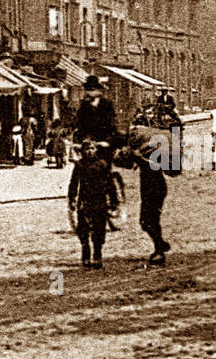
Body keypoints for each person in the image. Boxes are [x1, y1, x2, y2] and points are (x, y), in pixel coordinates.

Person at [67, 139, 119, 269]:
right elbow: (74, 183)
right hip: (84, 201)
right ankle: (86, 254)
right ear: (82, 151)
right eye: (87, 149)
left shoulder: (102, 164)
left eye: (92, 149)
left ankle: (97, 255)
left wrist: (113, 201)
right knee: (83, 229)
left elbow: (110, 184)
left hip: (99, 200)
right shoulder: (79, 165)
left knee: (99, 228)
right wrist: (72, 199)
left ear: (96, 150)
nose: (90, 151)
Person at [124, 124, 170, 265]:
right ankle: (160, 245)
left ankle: (159, 250)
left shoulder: (152, 157)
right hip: (151, 189)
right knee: (149, 220)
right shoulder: (146, 154)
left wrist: (139, 157)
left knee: (148, 220)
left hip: (155, 189)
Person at [75, 76, 119, 148]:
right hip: (88, 142)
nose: (90, 92)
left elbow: (112, 124)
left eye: (93, 89)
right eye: (88, 89)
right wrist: (84, 139)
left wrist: (108, 141)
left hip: (104, 140)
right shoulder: (84, 105)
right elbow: (80, 124)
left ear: (98, 90)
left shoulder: (106, 104)